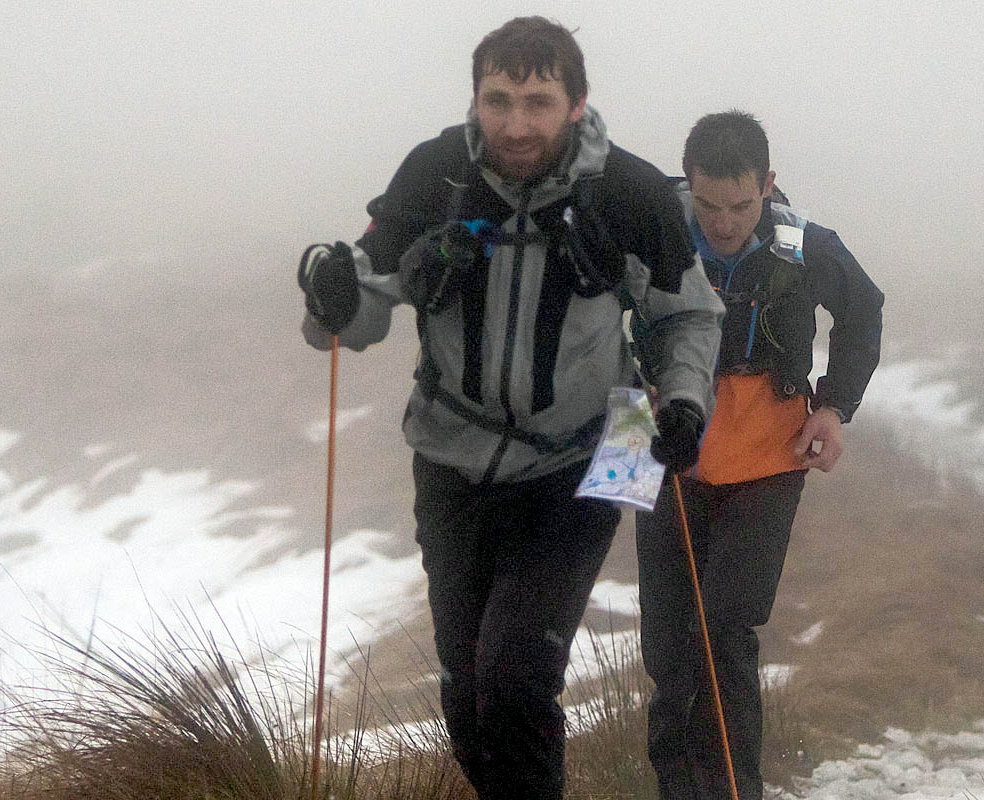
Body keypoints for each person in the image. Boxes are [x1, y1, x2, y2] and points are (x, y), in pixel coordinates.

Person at [295, 17, 723, 800]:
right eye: (498, 100)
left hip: (607, 445)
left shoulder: (629, 192)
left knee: (519, 677)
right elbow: (353, 320)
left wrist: (688, 402)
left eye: (537, 101)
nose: (516, 124)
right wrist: (333, 299)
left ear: (577, 102)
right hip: (450, 448)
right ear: (475, 97)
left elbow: (688, 314)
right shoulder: (434, 176)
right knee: (467, 691)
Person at [634, 110, 884, 800]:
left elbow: (864, 309)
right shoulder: (649, 229)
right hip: (655, 444)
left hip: (767, 454)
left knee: (724, 629)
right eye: (709, 205)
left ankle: (733, 790)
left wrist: (836, 406)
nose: (723, 223)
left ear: (768, 184)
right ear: (688, 184)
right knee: (666, 648)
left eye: (741, 205)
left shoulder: (804, 244)